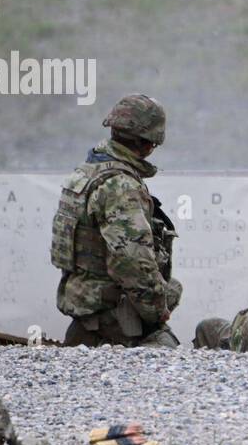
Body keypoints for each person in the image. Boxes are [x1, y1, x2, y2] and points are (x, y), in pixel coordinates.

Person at [50, 94, 182, 347]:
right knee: (169, 355)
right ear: (148, 143)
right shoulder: (120, 186)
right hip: (116, 321)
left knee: (173, 288)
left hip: (84, 313)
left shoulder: (87, 171)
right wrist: (157, 311)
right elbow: (132, 261)